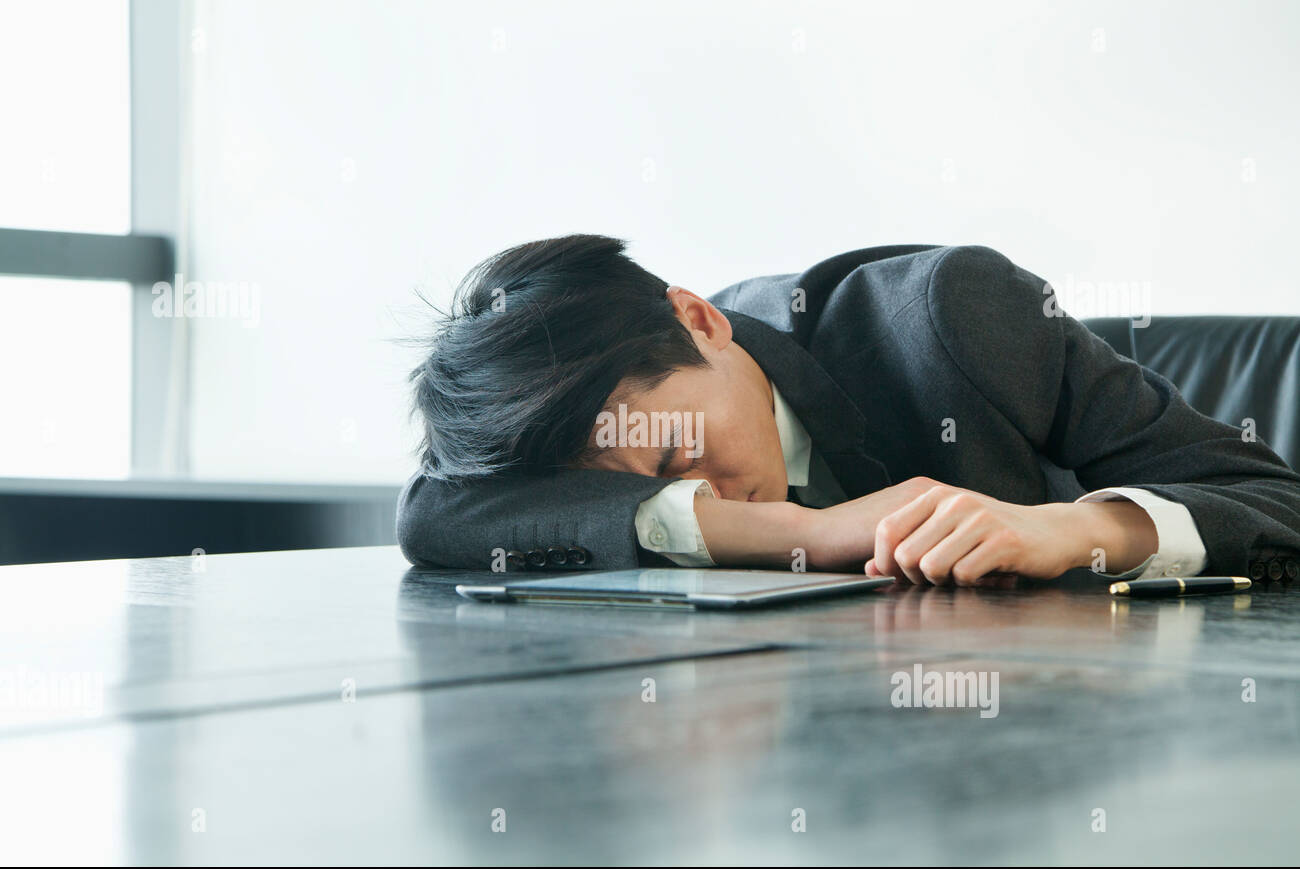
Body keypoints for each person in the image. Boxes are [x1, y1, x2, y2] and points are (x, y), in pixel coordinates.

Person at [397, 235, 1300, 585]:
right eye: (669, 497)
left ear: (702, 320)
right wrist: (788, 530)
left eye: (679, 461)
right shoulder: (604, 416)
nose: (703, 493)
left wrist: (1073, 530)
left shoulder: (957, 318)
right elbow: (436, 511)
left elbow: (1272, 502)